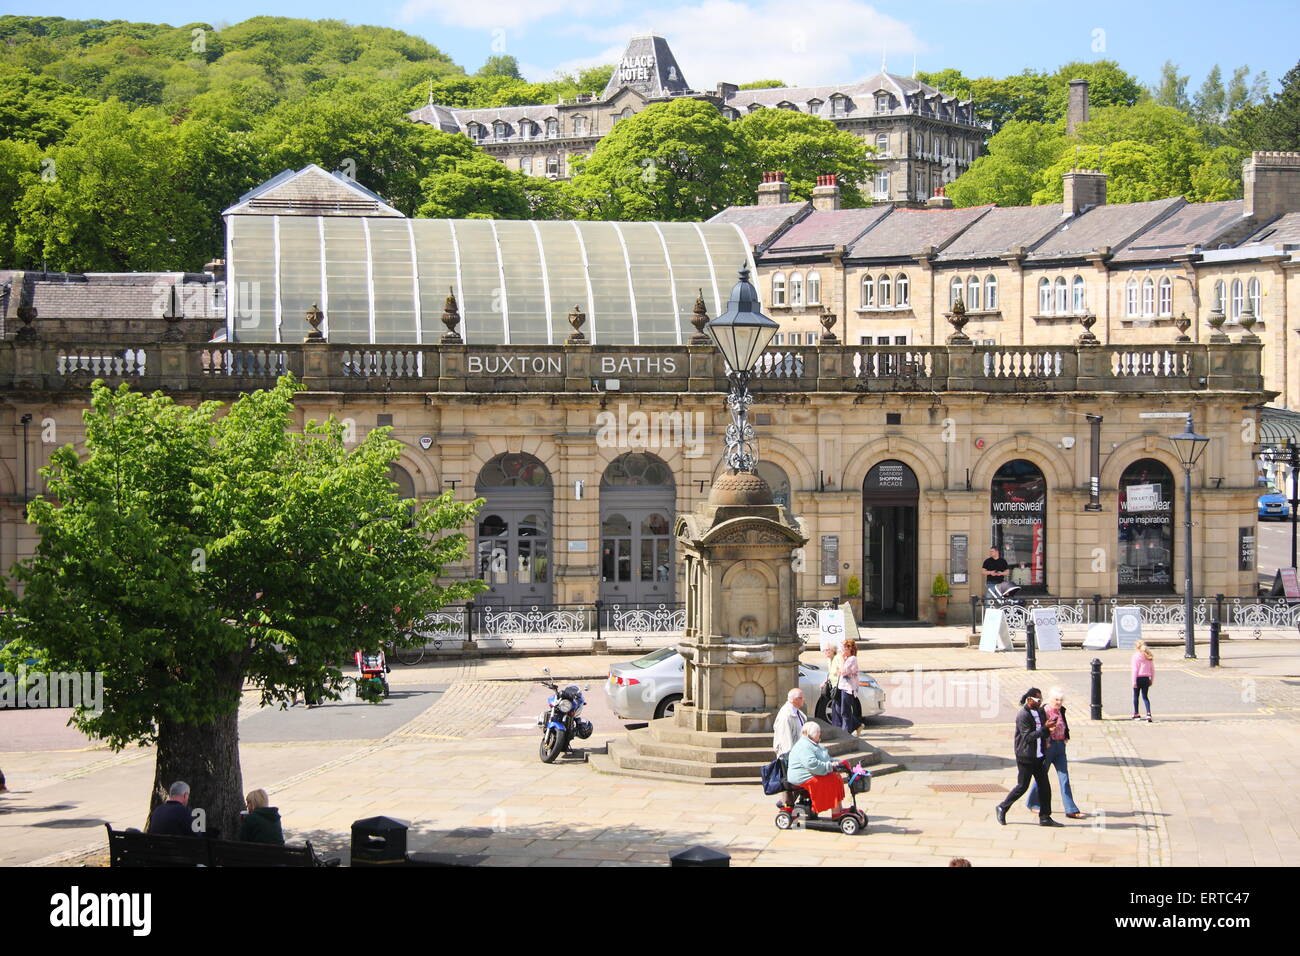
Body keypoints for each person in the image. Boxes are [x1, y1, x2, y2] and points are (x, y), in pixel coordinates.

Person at [994, 688, 1064, 827]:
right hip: (1026, 757)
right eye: (1037, 700)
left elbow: (1043, 733)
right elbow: (1027, 737)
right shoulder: (1023, 715)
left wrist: (1049, 731)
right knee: (1022, 786)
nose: (1040, 702)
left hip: (1038, 756)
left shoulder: (1040, 712)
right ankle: (1002, 807)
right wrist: (1044, 729)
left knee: (1045, 787)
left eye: (1041, 700)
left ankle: (1045, 817)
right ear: (1029, 699)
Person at [1027, 687, 1086, 819]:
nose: (1059, 702)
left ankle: (1071, 809)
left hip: (1060, 748)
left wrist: (1066, 736)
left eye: (1061, 700)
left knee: (1064, 778)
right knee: (1041, 777)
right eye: (1056, 700)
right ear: (1050, 699)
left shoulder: (1061, 710)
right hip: (1048, 748)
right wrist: (1045, 741)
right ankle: (1033, 803)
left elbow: (1063, 723)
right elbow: (1040, 729)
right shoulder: (1043, 711)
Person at [785, 721, 849, 817]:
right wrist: (830, 766)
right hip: (801, 776)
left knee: (835, 777)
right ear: (812, 735)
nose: (820, 736)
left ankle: (838, 808)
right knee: (831, 780)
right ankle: (836, 812)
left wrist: (837, 762)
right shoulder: (804, 746)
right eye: (818, 734)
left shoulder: (811, 743)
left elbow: (824, 758)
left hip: (810, 773)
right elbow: (813, 765)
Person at [772, 687, 807, 758]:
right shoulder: (785, 716)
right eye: (801, 698)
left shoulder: (798, 713)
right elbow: (785, 741)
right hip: (790, 758)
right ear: (795, 700)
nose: (804, 699)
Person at [837, 638, 860, 734]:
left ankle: (845, 733)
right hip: (843, 687)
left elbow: (842, 671)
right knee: (844, 711)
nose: (842, 650)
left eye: (844, 648)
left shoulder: (852, 659)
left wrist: (842, 660)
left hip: (848, 689)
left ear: (849, 649)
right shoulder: (847, 659)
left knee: (845, 712)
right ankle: (857, 725)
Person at [1132, 640, 1155, 721]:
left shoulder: (1136, 656)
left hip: (1138, 678)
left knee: (1136, 696)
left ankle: (1136, 714)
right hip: (1146, 678)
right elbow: (1152, 670)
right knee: (1145, 697)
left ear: (1136, 647)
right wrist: (1151, 679)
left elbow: (1135, 669)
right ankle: (1148, 714)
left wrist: (1134, 681)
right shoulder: (1148, 655)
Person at [826, 644, 842, 726]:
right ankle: (836, 726)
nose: (825, 652)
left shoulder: (838, 658)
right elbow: (830, 673)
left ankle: (838, 726)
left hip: (839, 687)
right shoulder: (829, 660)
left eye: (827, 649)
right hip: (833, 687)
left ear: (832, 651)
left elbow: (841, 670)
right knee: (835, 707)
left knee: (838, 708)